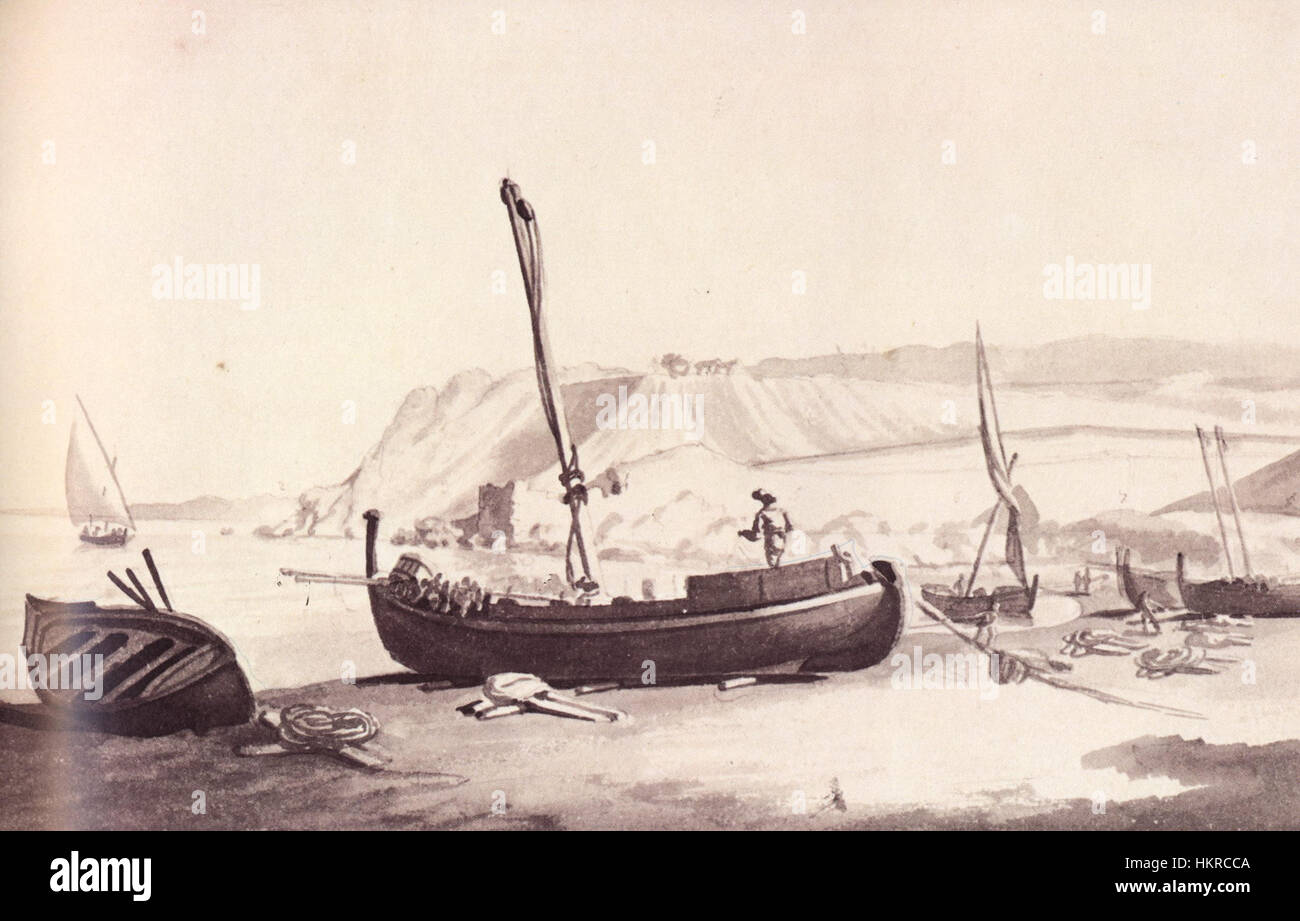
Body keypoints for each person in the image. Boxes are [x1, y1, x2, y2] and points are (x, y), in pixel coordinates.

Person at [738, 489, 793, 568]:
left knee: (773, 562)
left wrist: (744, 533)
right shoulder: (781, 510)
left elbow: (756, 535)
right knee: (777, 560)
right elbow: (790, 526)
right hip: (781, 541)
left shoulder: (761, 513)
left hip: (773, 541)